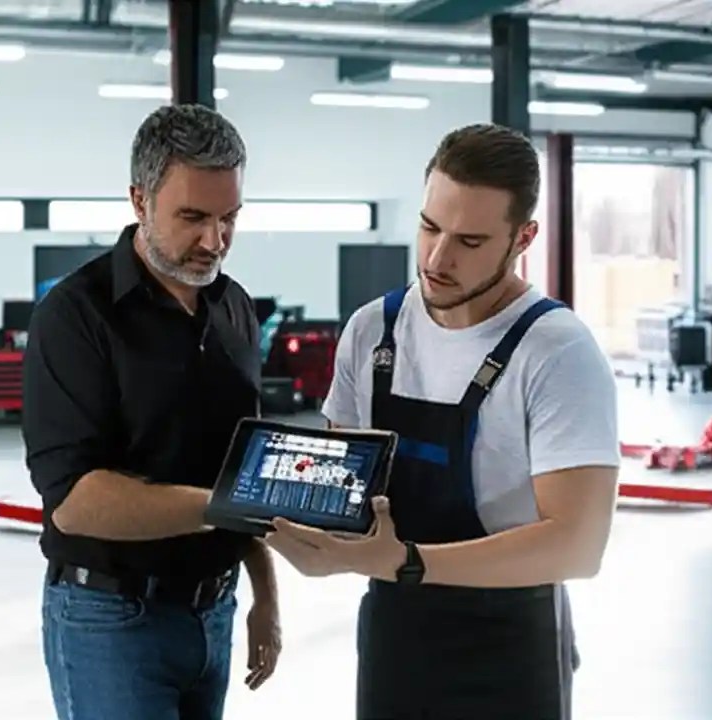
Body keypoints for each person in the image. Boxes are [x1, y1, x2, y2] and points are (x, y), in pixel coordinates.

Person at [265, 123, 620, 719]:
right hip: (395, 633)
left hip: (510, 646)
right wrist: (296, 517)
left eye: (471, 241)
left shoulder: (556, 351)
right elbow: (344, 492)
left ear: (523, 237)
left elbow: (577, 546)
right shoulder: (372, 332)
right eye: (430, 226)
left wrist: (404, 560)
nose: (437, 258)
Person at [22, 104, 282, 720]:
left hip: (214, 609)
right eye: (192, 217)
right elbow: (78, 501)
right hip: (110, 622)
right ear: (139, 200)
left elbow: (238, 462)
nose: (214, 241)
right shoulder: (74, 316)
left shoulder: (235, 308)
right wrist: (229, 504)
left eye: (229, 218)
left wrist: (265, 595)